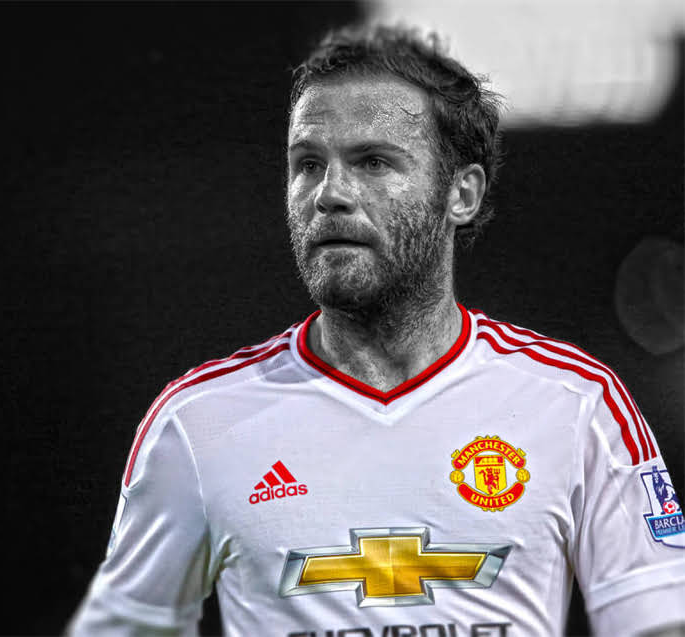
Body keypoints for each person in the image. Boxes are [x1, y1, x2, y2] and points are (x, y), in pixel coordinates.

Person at [68, 23, 685, 636]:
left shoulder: (576, 403)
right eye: (308, 164)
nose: (330, 194)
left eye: (372, 162)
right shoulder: (198, 422)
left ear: (462, 193)